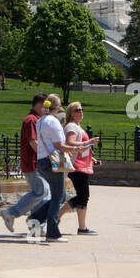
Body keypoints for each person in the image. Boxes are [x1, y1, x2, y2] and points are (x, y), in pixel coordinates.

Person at [27, 95, 93, 243]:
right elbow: (59, 145)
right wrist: (81, 146)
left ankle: (36, 218)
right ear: (58, 107)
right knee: (58, 197)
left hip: (42, 161)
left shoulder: (41, 121)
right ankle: (52, 232)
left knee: (60, 196)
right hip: (53, 163)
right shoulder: (53, 122)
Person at [0, 94, 49, 232]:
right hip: (33, 163)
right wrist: (49, 155)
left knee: (39, 194)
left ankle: (35, 227)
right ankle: (11, 213)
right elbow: (33, 143)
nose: (47, 110)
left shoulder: (36, 119)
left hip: (35, 163)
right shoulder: (31, 120)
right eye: (46, 107)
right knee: (43, 192)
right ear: (39, 105)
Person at [59, 101, 97, 235]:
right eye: (77, 110)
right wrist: (89, 142)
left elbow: (82, 149)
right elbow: (70, 143)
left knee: (82, 196)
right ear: (71, 113)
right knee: (83, 196)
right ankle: (58, 216)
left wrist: (92, 159)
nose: (80, 112)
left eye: (81, 109)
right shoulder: (71, 126)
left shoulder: (77, 126)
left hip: (82, 165)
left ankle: (81, 227)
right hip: (76, 167)